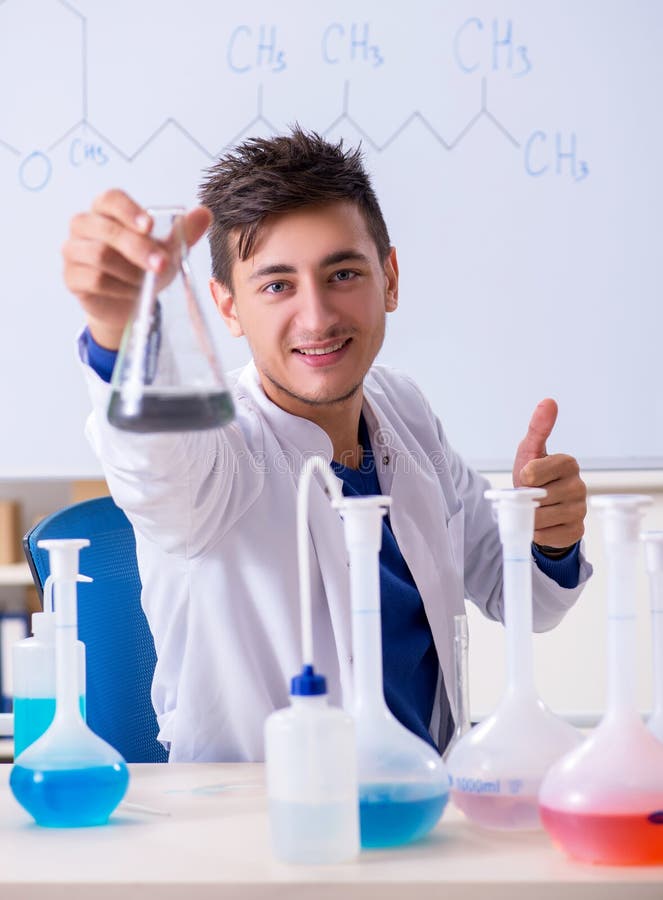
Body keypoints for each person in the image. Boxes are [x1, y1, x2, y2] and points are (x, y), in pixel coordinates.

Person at [62, 128, 591, 762]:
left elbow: (523, 597)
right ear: (227, 308)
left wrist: (548, 537)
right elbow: (155, 467)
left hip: (425, 796)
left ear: (389, 278)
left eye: (342, 274)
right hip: (256, 811)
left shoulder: (406, 412)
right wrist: (118, 329)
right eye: (277, 285)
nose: (317, 318)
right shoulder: (218, 451)